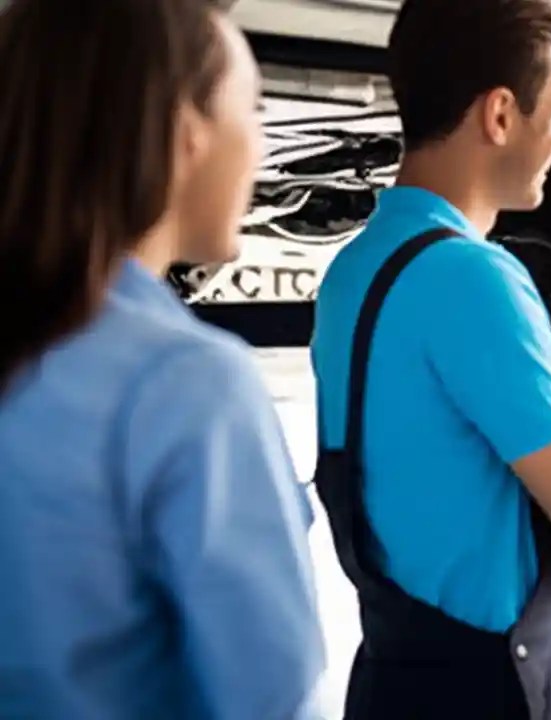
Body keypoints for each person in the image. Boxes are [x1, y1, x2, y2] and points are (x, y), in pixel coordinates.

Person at [308, 0, 551, 716]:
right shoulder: (473, 278)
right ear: (500, 115)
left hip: (391, 683)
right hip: (486, 692)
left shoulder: (353, 272)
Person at [0, 1, 325, 718]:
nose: (266, 150)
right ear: (186, 136)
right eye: (254, 112)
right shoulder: (186, 385)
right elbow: (269, 696)